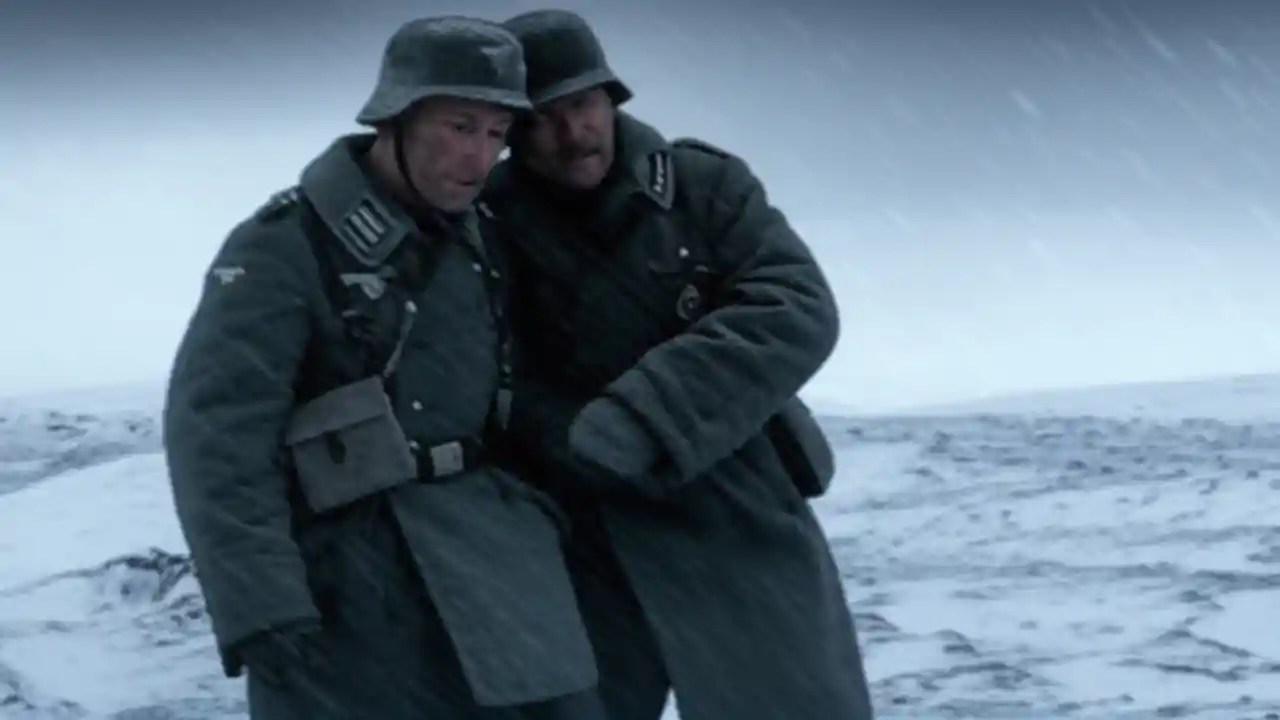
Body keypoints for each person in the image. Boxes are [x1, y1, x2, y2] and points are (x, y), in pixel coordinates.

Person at [162, 16, 607, 719]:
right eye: (460, 127)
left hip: (503, 571)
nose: (478, 156)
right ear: (396, 120)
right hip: (355, 589)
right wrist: (261, 603)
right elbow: (218, 434)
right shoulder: (285, 246)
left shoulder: (484, 238)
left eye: (495, 135)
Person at [484, 9, 877, 720]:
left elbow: (793, 307)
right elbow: (480, 368)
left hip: (737, 509)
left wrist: (641, 417)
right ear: (511, 131)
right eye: (545, 119)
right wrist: (567, 439)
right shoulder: (484, 226)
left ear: (612, 100)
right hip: (578, 535)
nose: (575, 135)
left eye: (584, 106)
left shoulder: (704, 187)